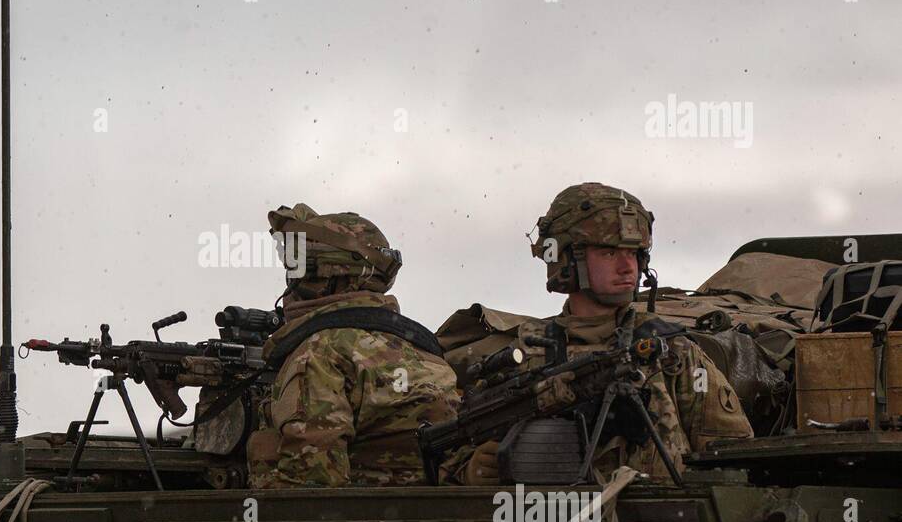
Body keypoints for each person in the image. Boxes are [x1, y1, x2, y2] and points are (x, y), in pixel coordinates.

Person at [460, 182, 753, 485]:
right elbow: (445, 459)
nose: (628, 267)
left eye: (634, 253)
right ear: (567, 261)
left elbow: (732, 461)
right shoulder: (524, 357)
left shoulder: (672, 353)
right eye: (610, 252)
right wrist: (471, 469)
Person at [245, 204, 463, 488]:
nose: (291, 287)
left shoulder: (322, 352)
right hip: (422, 521)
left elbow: (310, 485)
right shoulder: (426, 350)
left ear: (331, 276)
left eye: (298, 270)